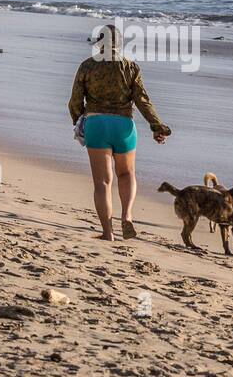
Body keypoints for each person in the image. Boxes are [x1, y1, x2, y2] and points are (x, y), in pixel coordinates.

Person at [68, 23, 170, 241]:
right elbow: (143, 101)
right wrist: (156, 126)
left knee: (103, 182)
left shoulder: (87, 66)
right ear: (119, 44)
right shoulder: (130, 67)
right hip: (124, 126)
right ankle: (127, 216)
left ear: (99, 43)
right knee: (127, 174)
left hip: (97, 125)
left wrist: (78, 121)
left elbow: (75, 102)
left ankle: (107, 232)